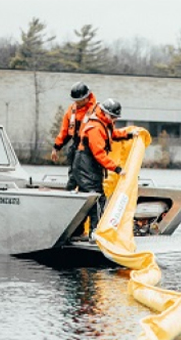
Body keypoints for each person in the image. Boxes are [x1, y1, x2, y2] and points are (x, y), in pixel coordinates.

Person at [70, 98, 137, 236]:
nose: (114, 119)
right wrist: (117, 169)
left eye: (115, 117)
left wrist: (128, 135)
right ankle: (94, 231)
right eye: (112, 116)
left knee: (89, 198)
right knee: (97, 198)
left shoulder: (104, 123)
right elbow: (99, 154)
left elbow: (113, 134)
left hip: (89, 166)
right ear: (105, 113)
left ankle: (79, 231)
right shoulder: (95, 128)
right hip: (85, 166)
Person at [51, 81, 97, 168]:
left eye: (79, 101)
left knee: (88, 179)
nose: (77, 103)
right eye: (75, 101)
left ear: (86, 98)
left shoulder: (97, 110)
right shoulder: (71, 110)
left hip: (91, 151)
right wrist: (56, 147)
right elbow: (65, 131)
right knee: (73, 177)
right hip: (76, 149)